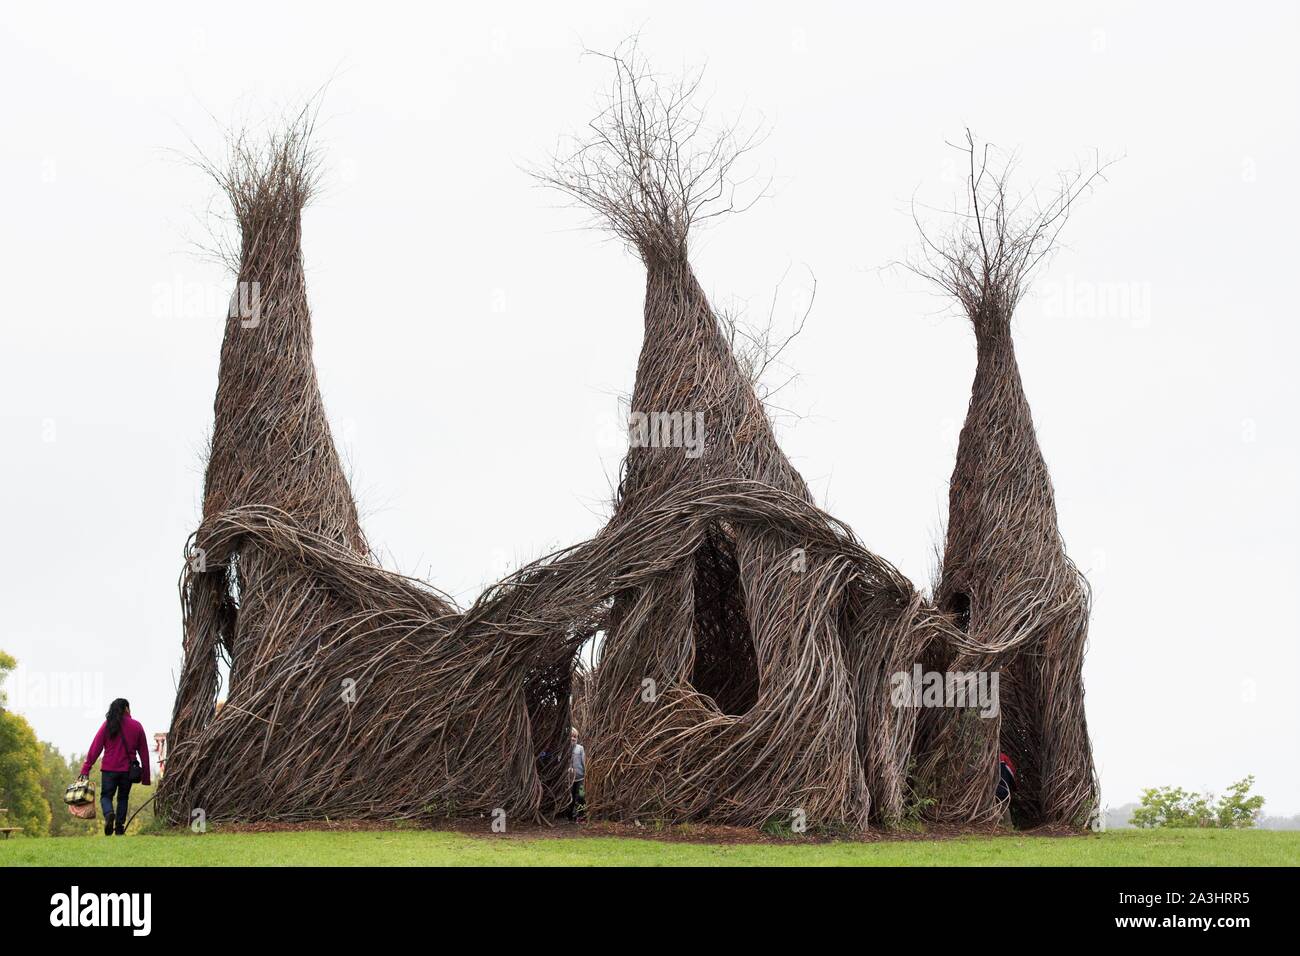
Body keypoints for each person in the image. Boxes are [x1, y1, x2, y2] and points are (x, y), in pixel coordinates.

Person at [80, 698, 151, 836]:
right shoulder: (137, 726)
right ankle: (119, 828)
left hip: (109, 770)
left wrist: (86, 768)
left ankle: (108, 814)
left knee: (106, 796)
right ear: (126, 708)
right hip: (127, 771)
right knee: (123, 798)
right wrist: (146, 777)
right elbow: (144, 752)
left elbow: (96, 747)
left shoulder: (108, 724)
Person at [567, 727, 586, 821]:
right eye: (571, 736)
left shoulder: (580, 748)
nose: (573, 739)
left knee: (581, 796)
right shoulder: (565, 749)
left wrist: (586, 774)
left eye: (575, 737)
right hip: (569, 780)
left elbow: (584, 762)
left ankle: (581, 815)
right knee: (571, 798)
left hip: (580, 779)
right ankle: (570, 816)